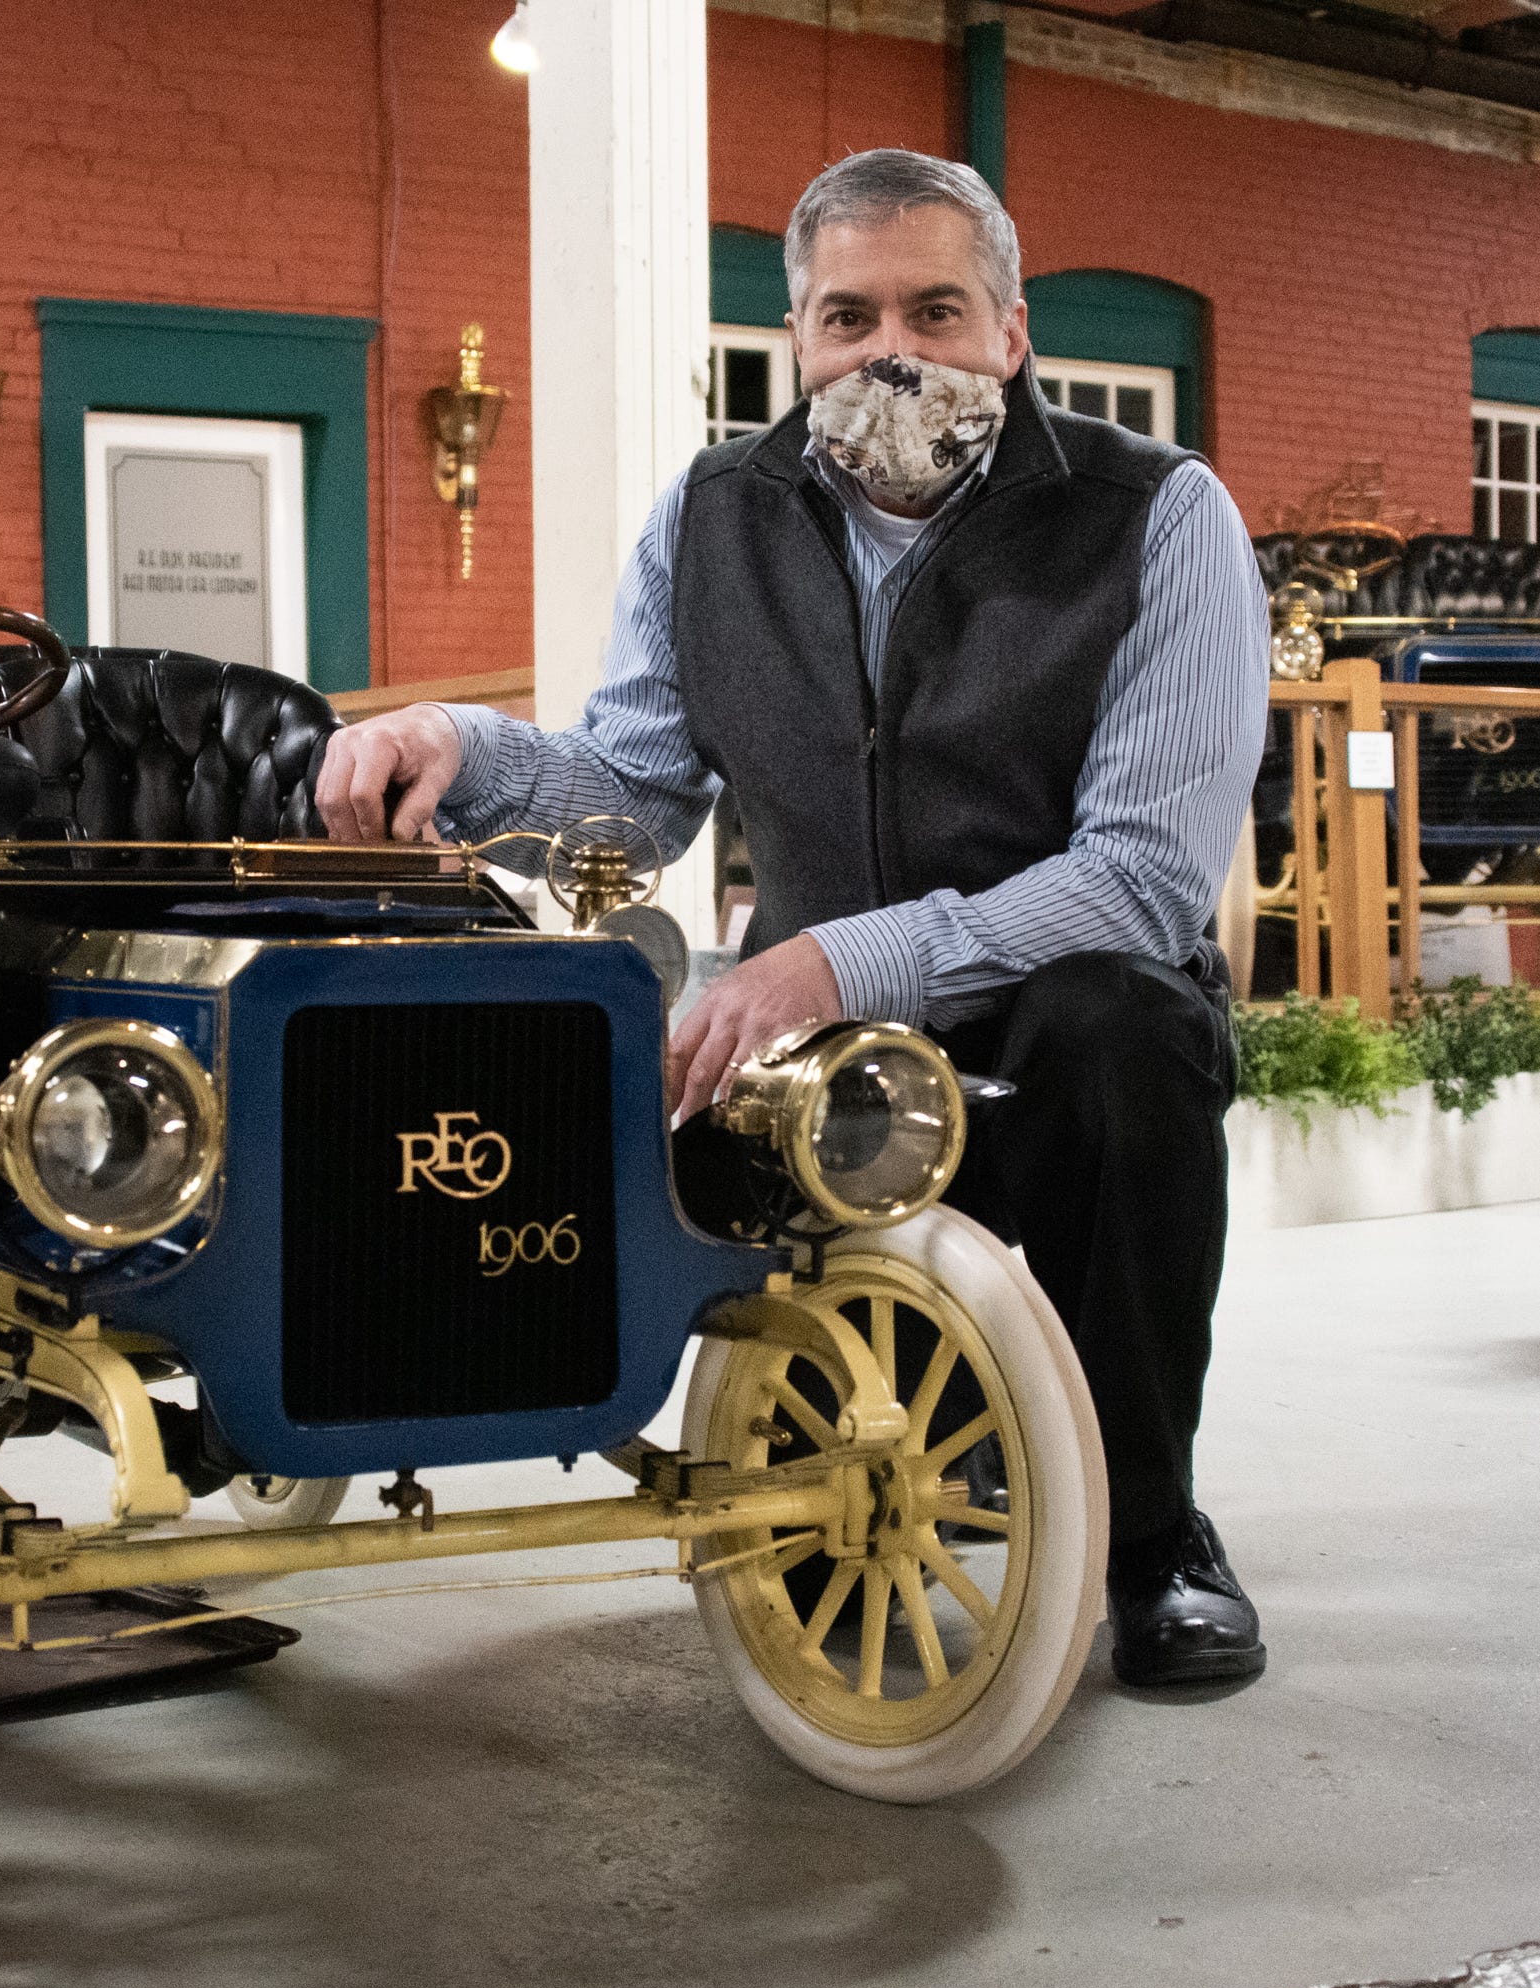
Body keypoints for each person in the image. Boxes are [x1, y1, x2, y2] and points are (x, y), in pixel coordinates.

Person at [314, 148, 1269, 1688]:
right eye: (847, 315)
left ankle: (1151, 1540)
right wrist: (464, 750)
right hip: (824, 1040)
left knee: (1122, 1032)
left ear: (1010, 334)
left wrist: (830, 957)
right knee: (625, 1113)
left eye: (936, 309)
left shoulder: (1156, 516)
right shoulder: (708, 517)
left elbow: (1143, 878)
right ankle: (841, 1475)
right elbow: (632, 795)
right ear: (797, 336)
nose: (890, 348)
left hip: (1054, 998)